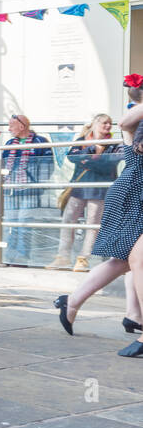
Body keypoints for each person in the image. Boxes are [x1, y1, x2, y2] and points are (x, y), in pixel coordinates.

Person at [55, 99, 143, 358]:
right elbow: (125, 121)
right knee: (134, 258)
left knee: (125, 261)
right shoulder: (132, 134)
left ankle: (71, 303)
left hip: (130, 195)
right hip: (132, 197)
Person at [49, 114, 122, 272]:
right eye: (104, 122)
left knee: (92, 224)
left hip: (100, 190)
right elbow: (72, 157)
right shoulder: (82, 141)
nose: (108, 126)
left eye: (110, 123)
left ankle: (83, 258)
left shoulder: (114, 143)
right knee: (68, 220)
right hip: (79, 187)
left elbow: (109, 165)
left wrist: (87, 161)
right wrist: (93, 154)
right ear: (95, 124)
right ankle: (63, 257)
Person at [1, 114, 52, 267]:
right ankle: (9, 257)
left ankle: (22, 259)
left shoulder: (40, 142)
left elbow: (47, 166)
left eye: (11, 125)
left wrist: (39, 184)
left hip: (30, 190)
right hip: (11, 190)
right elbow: (3, 165)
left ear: (22, 126)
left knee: (24, 224)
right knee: (12, 225)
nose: (9, 129)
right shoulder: (10, 143)